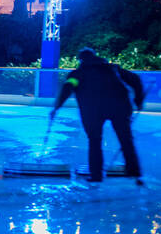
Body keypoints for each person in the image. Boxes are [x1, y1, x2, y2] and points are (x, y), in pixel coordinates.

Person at [52, 47, 145, 185]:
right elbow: (135, 79)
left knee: (94, 141)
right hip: (119, 107)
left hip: (93, 111)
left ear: (81, 59)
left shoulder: (78, 74)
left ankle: (96, 176)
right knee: (126, 140)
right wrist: (138, 100)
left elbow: (67, 89)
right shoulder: (113, 69)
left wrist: (56, 108)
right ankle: (134, 172)